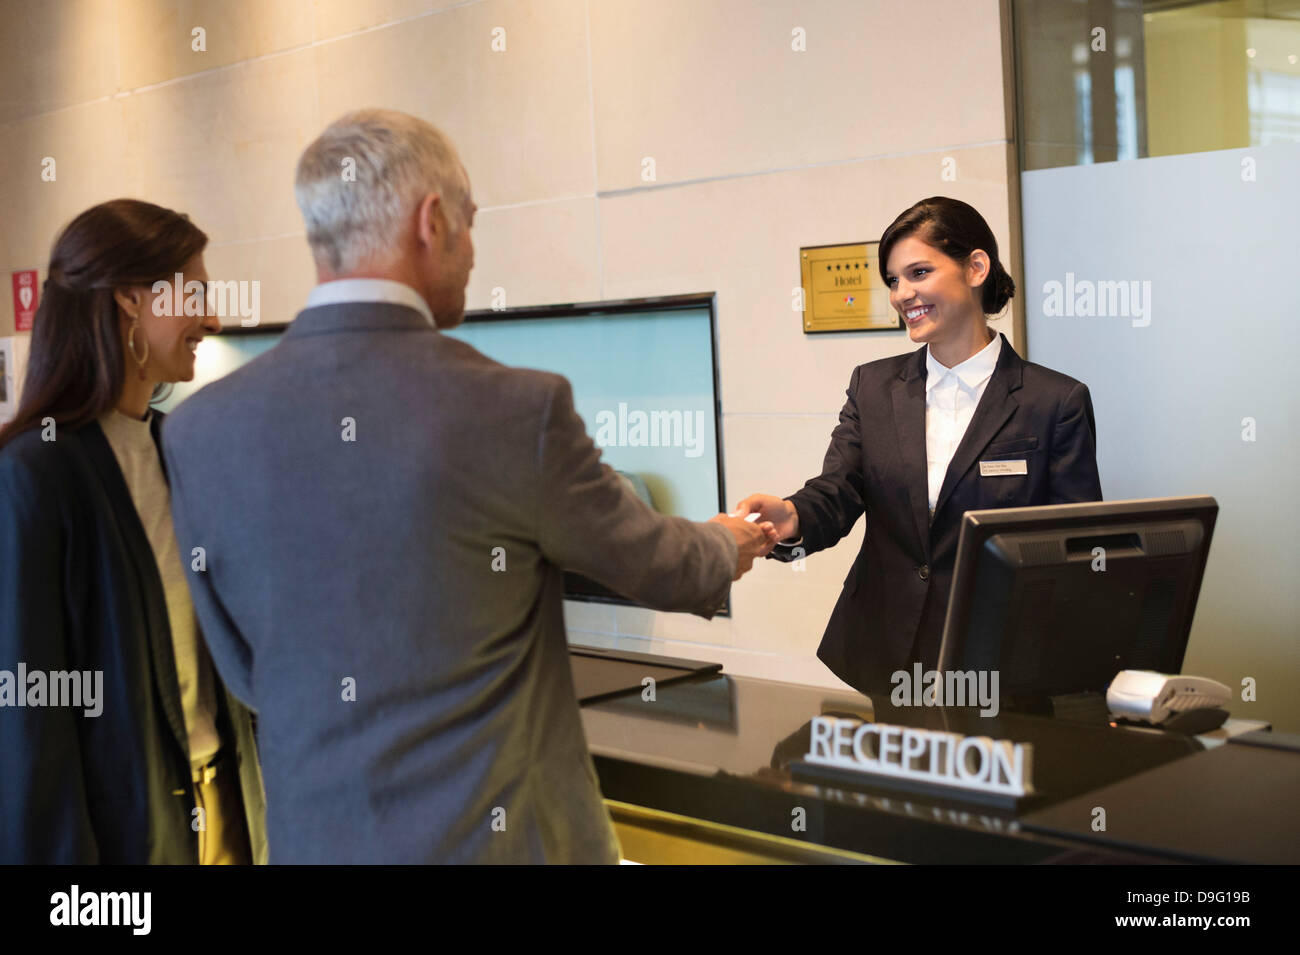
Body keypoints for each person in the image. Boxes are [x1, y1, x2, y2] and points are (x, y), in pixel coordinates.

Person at [160, 108, 777, 864]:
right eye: (472, 223)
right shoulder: (516, 407)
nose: (474, 250)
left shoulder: (199, 430)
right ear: (432, 220)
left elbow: (244, 670)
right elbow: (654, 560)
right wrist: (730, 538)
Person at [738, 197, 1102, 696]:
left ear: (976, 268)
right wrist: (790, 516)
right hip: (889, 651)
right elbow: (839, 490)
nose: (901, 293)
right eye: (892, 279)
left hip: (1001, 665)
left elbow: (1073, 549)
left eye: (918, 272)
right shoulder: (872, 387)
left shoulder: (1055, 401)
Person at [0, 199, 268, 863]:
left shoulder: (184, 451)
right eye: (195, 295)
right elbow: (30, 722)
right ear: (127, 298)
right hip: (128, 841)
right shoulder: (35, 471)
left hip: (228, 810)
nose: (211, 318)